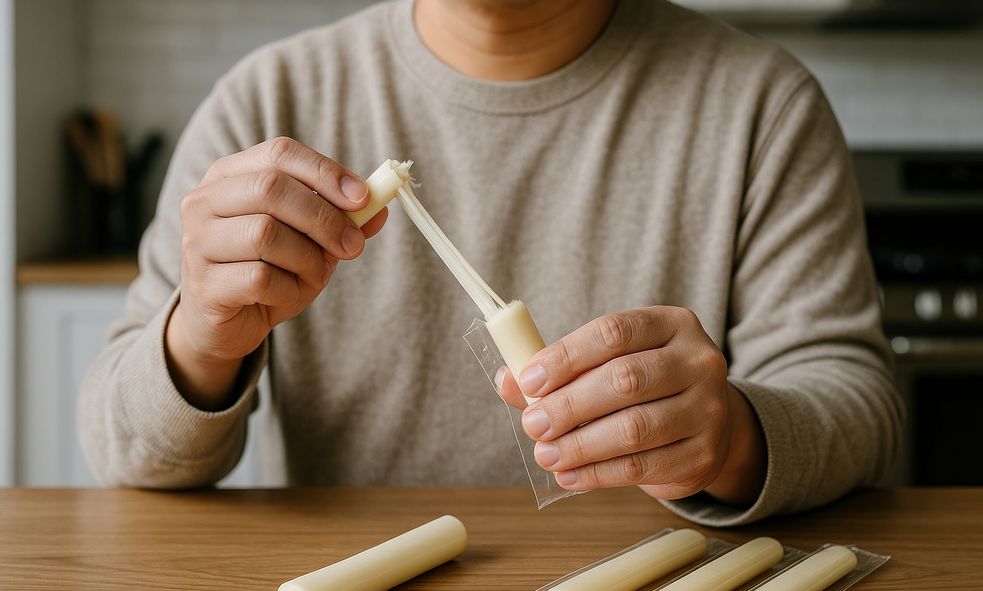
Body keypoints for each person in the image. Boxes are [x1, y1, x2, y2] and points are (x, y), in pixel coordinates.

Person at [78, 0, 902, 526]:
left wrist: (730, 438)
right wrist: (203, 340)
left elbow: (859, 405)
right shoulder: (267, 105)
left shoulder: (760, 106)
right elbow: (121, 447)